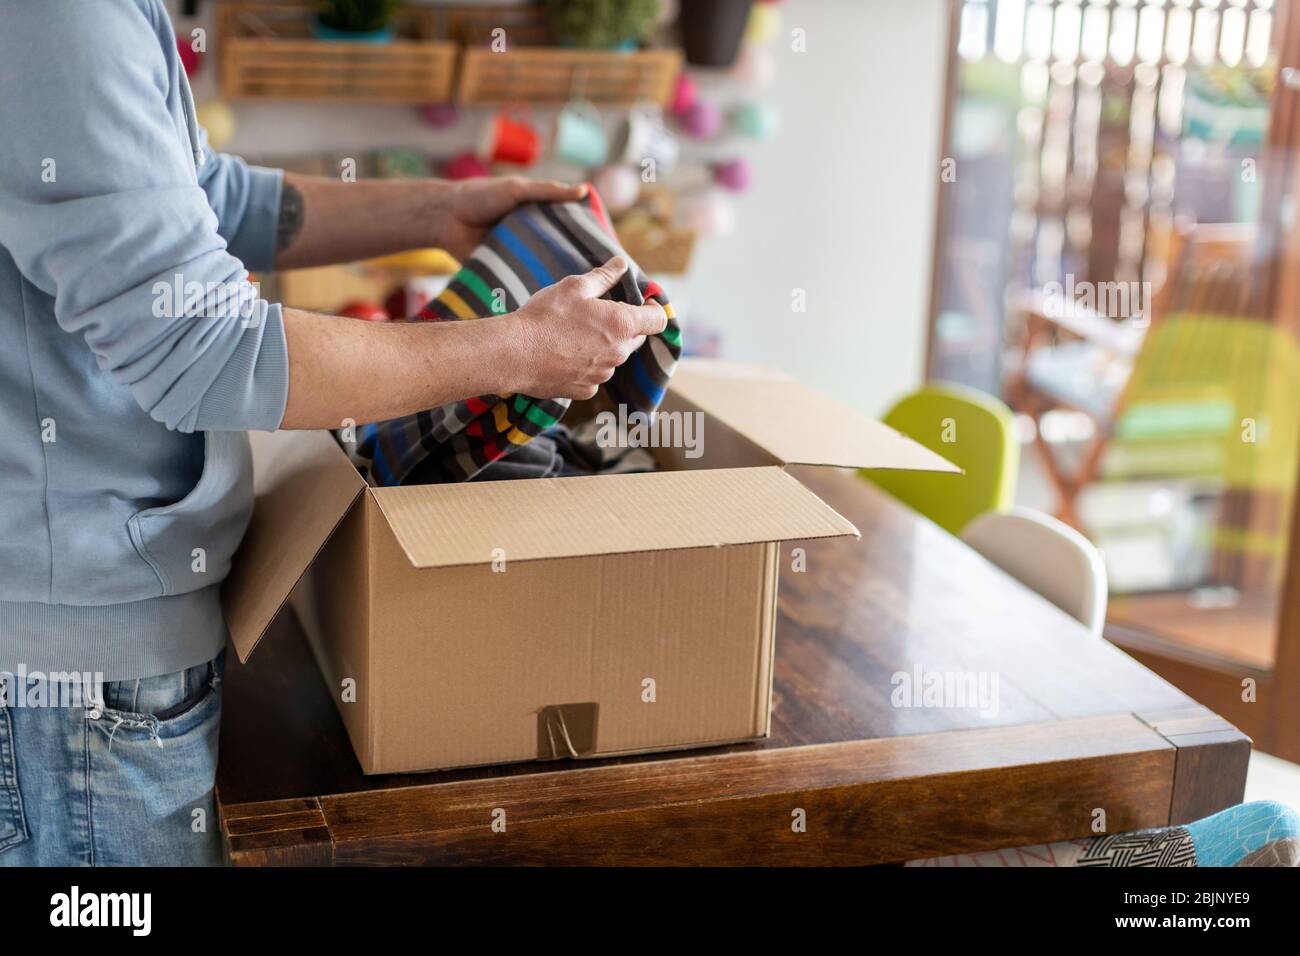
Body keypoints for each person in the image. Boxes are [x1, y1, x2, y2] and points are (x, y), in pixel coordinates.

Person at [0, 0, 666, 866]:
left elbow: (204, 194)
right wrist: (518, 349)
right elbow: (198, 346)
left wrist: (438, 211)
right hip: (69, 674)